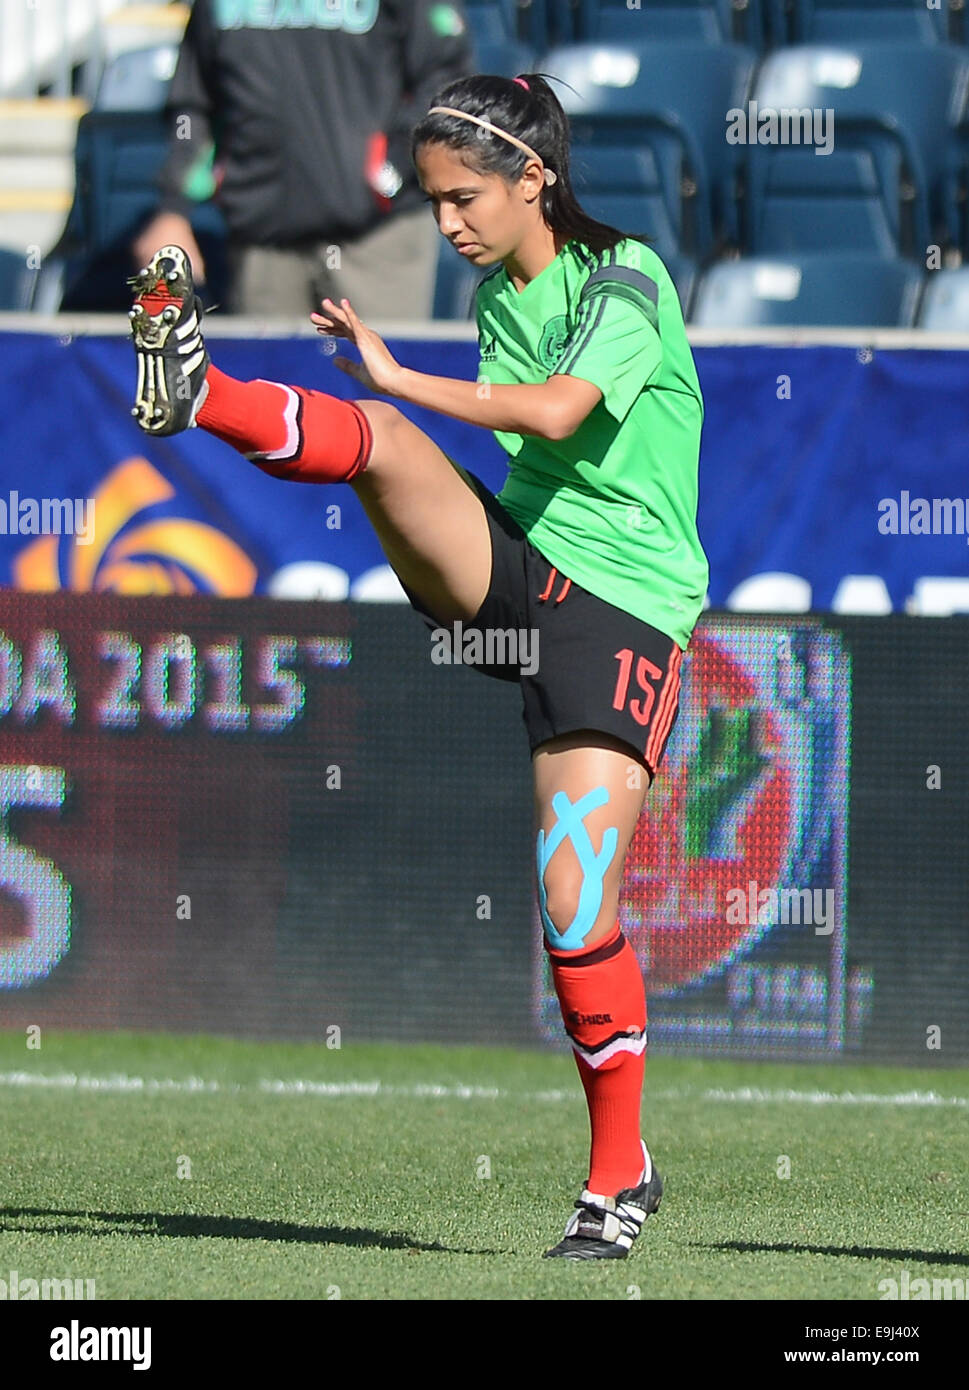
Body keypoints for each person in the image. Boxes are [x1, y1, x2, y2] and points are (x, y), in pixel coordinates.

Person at [126, 70, 709, 1260]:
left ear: (534, 177)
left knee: (571, 906)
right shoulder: (501, 292)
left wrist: (398, 373)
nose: (446, 222)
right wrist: (400, 397)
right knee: (384, 444)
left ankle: (619, 1175)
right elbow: (514, 438)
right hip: (524, 578)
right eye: (435, 200)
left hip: (625, 613)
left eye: (463, 197)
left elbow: (552, 413)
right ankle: (199, 389)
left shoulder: (627, 276)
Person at [132, 0, 474, 317]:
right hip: (262, 243)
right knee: (269, 382)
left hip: (378, 239)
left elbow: (445, 80)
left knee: (377, 380)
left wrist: (388, 172)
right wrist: (173, 209)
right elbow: (192, 106)